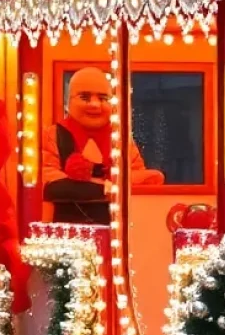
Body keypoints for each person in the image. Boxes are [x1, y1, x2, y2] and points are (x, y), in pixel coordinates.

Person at [42, 66, 164, 224]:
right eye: (85, 97)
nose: (94, 105)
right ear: (69, 101)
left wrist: (105, 183)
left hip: (115, 228)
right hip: (65, 227)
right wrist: (107, 187)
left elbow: (143, 178)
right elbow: (50, 184)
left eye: (102, 98)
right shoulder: (52, 135)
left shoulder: (121, 139)